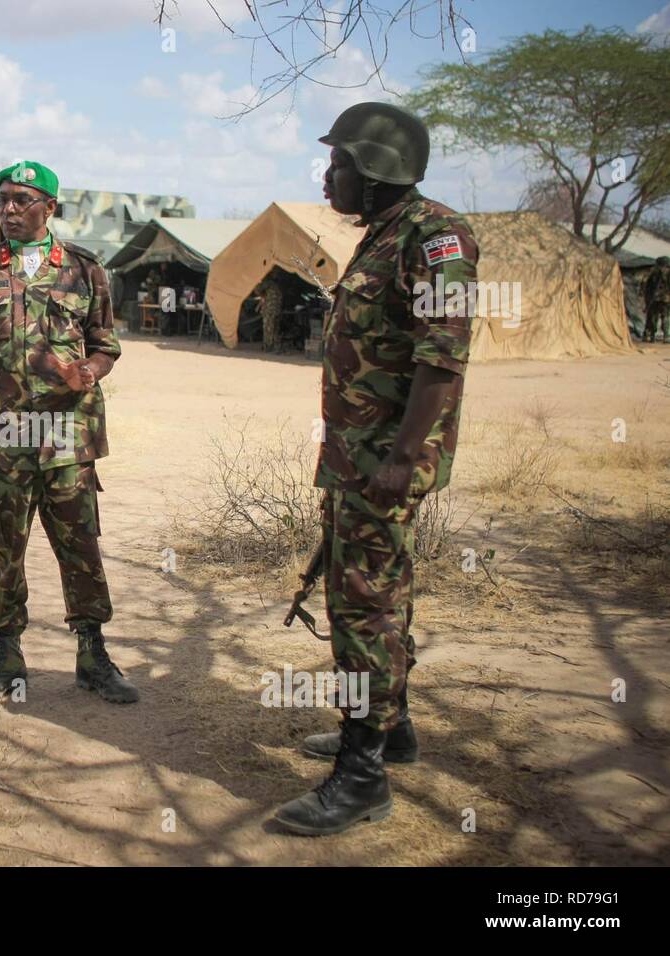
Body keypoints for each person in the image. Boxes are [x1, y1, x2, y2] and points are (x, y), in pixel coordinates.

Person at [273, 102, 477, 836]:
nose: (329, 177)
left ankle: (362, 778)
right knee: (382, 591)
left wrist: (398, 460)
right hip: (357, 456)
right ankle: (394, 731)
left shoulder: (434, 238)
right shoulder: (382, 236)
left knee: (362, 606)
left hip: (382, 463)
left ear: (377, 170)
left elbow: (441, 360)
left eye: (340, 165)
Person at [0, 160, 139, 706]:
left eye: (20, 199)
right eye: (1, 199)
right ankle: (6, 660)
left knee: (80, 547)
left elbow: (106, 345)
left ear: (48, 208)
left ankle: (93, 658)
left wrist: (90, 372)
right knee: (5, 548)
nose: (7, 208)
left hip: (67, 435)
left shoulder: (84, 268)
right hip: (2, 433)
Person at [643, 256, 670, 343]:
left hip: (661, 299)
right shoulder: (655, 274)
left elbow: (646, 285)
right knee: (659, 317)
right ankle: (658, 336)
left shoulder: (654, 273)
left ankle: (659, 336)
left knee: (660, 317)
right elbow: (647, 286)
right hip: (660, 299)